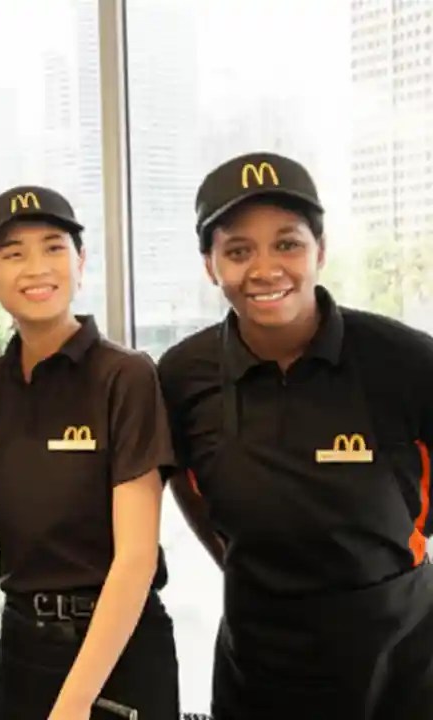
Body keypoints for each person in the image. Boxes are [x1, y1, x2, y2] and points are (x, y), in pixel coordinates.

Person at [159, 151, 433, 720]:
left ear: (320, 251)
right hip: (257, 658)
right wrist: (233, 556)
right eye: (238, 250)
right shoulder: (182, 376)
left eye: (287, 243)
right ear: (210, 264)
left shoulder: (406, 362)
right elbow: (183, 480)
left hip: (398, 656)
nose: (264, 270)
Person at [0, 187, 179, 719]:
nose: (36, 267)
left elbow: (135, 558)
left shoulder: (125, 376)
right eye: (13, 253)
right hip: (22, 646)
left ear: (81, 263)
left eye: (54, 248)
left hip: (118, 648)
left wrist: (74, 703)